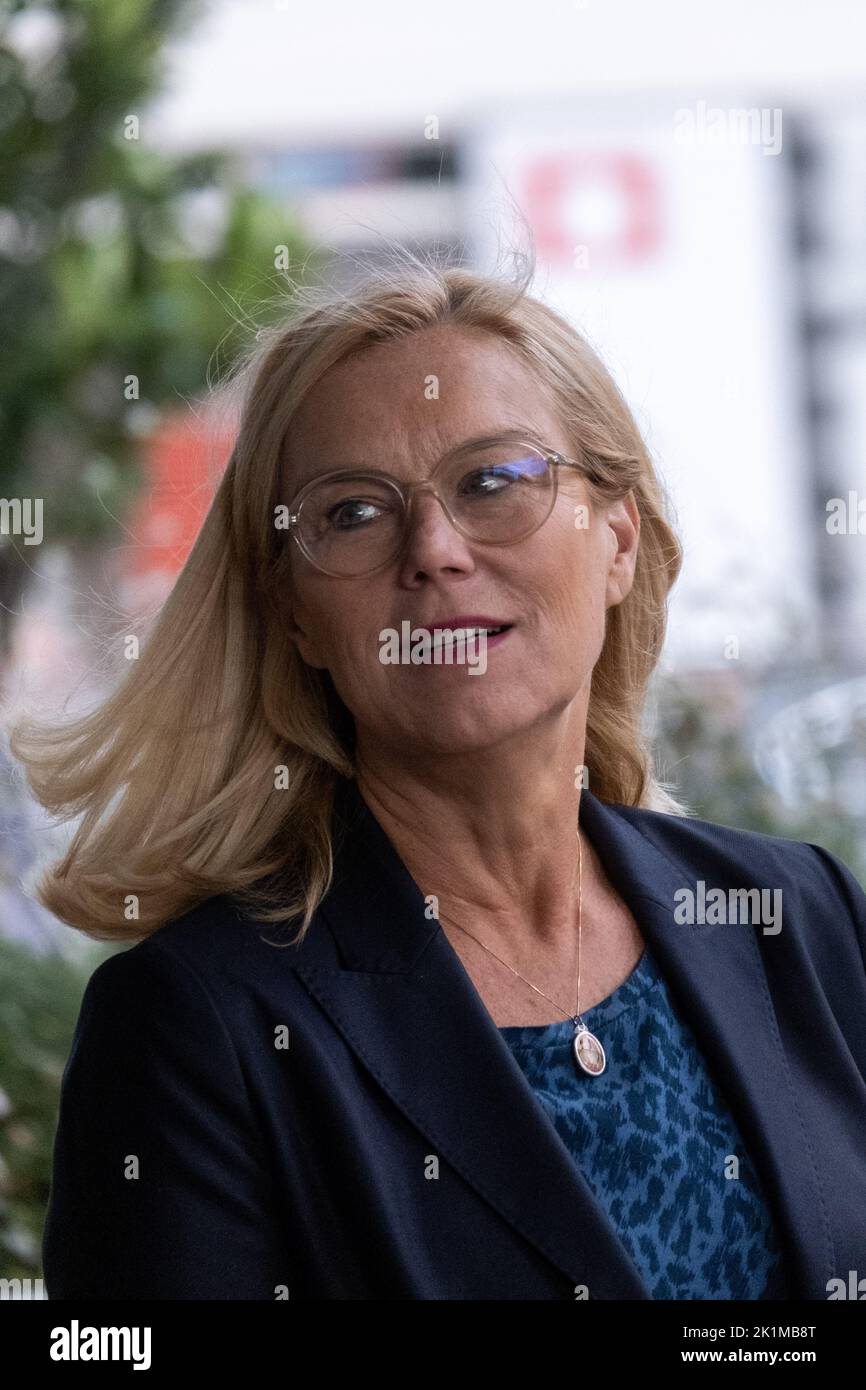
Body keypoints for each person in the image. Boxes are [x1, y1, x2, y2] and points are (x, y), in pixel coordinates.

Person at [12, 251, 866, 1301]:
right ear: (293, 613)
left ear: (616, 538)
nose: (433, 550)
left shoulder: (795, 916)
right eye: (353, 514)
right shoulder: (197, 1027)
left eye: (494, 481)